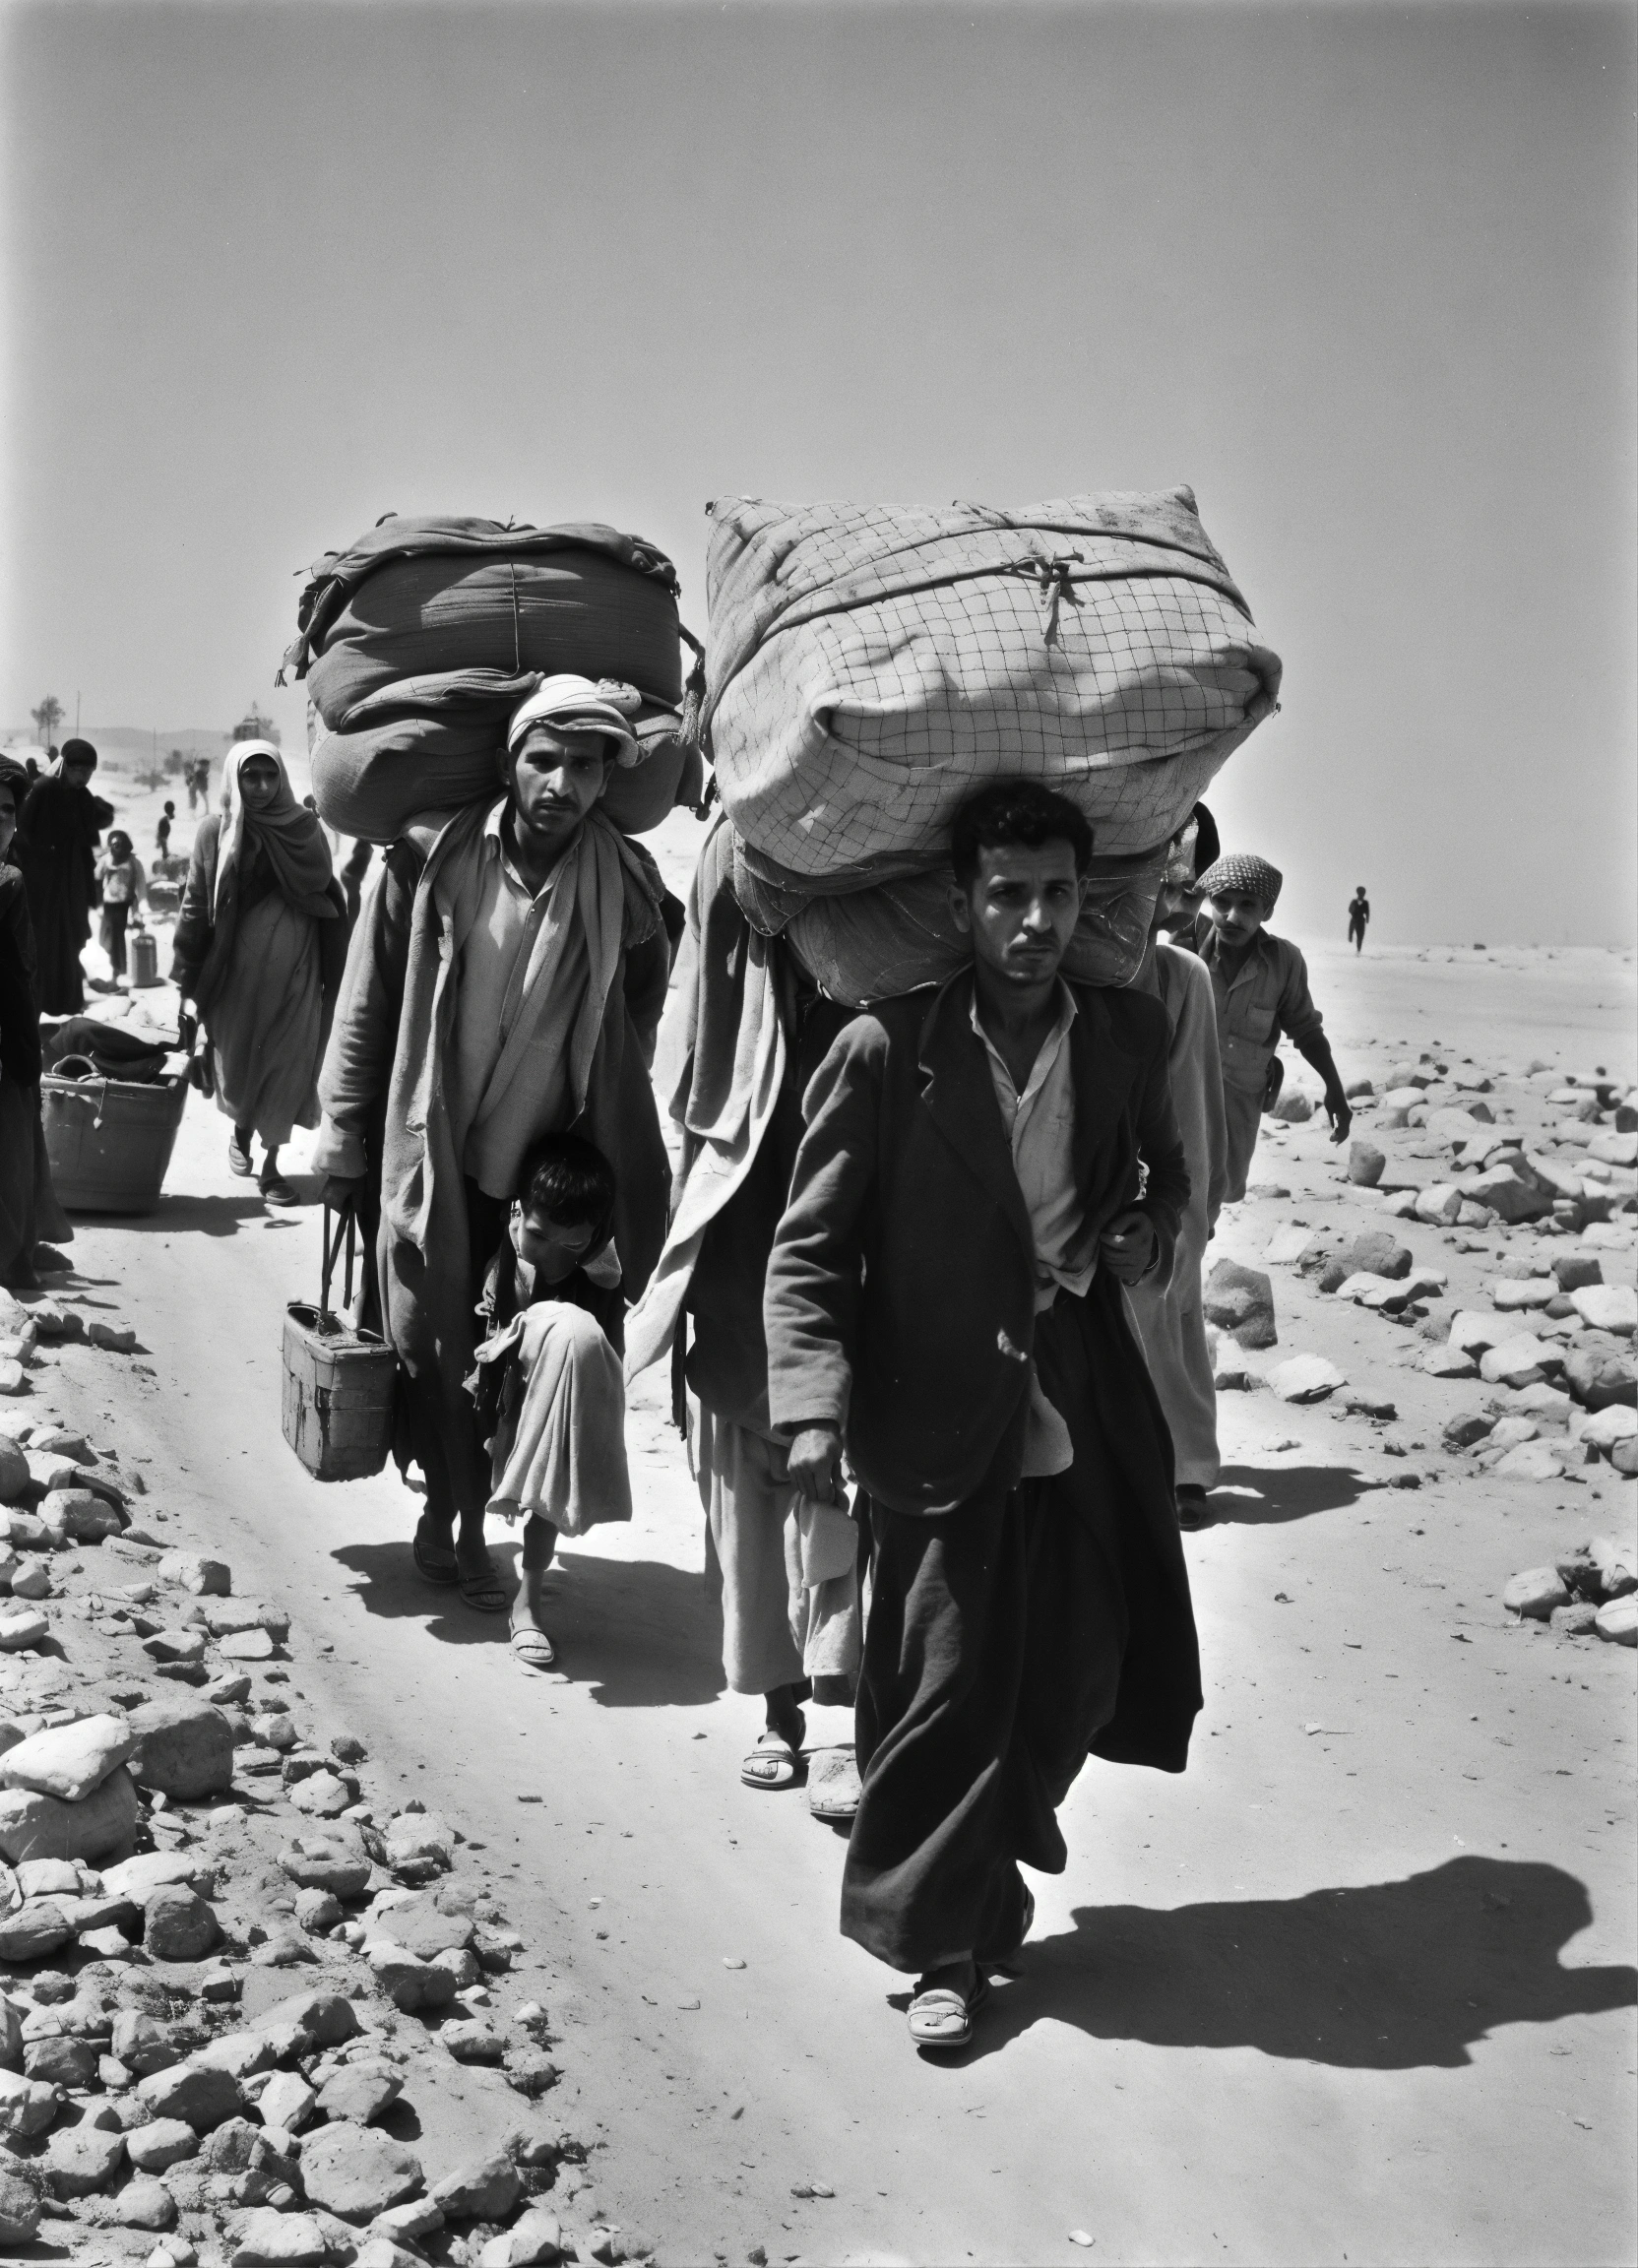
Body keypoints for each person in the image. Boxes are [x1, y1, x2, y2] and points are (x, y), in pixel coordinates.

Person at [765, 780, 1202, 2053]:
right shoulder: (886, 1050)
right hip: (935, 1399)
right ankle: (937, 1945)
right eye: (1008, 894)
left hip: (1078, 1385)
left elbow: (1164, 1173)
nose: (1035, 920)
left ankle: (987, 1860)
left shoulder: (1120, 1035)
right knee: (946, 1679)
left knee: (1082, 1659)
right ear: (961, 902)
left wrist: (1143, 1231)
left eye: (1059, 893)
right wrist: (809, 1412)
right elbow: (809, 1253)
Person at [313, 674, 670, 1620]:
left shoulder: (626, 885)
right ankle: (454, 1510)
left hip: (547, 1174)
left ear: (605, 780)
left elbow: (640, 1007)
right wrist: (346, 1137)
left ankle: (495, 1529)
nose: (561, 783)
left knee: (527, 1354)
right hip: (435, 1145)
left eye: (584, 766)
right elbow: (368, 1002)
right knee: (437, 1344)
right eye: (542, 759)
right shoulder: (430, 860)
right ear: (509, 760)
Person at [624, 820, 857, 1809]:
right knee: (748, 1514)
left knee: (840, 1501)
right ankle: (779, 1705)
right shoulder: (720, 1004)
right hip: (733, 1283)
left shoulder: (872, 1015)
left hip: (842, 1288)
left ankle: (847, 1714)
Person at [467, 1132, 633, 1670]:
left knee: (553, 1458)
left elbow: (609, 1351)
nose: (555, 1258)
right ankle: (458, 1533)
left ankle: (527, 1602)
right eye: (539, 1237)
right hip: (489, 1379)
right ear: (518, 1212)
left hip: (556, 1377)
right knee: (463, 1450)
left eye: (573, 1245)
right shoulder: (488, 1245)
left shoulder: (603, 1273)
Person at [170, 741, 346, 1208]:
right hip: (236, 977)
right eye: (252, 778)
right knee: (243, 1063)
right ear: (235, 780)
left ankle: (271, 1165)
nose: (264, 787)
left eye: (271, 776)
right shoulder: (216, 831)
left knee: (288, 1064)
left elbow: (323, 886)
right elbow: (195, 904)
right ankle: (242, 1133)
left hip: (300, 969)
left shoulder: (304, 828)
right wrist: (187, 979)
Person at [1126, 812, 1229, 1530]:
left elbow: (1194, 1106)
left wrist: (1193, 1208)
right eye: (1170, 888)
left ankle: (1186, 1467)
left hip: (1155, 1180)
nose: (1176, 907)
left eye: (1189, 894)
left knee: (1171, 1308)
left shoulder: (1181, 977)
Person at [1192, 854, 1352, 1203]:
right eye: (1222, 902)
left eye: (1247, 904)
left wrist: (1334, 1089)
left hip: (1241, 1098)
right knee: (1167, 1190)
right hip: (1182, 1094)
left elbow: (1306, 1030)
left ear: (1267, 911)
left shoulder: (1284, 962)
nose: (1231, 916)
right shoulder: (1187, 945)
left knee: (1216, 1197)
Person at [0, 760, 72, 1292]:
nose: (0, 823)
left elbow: (23, 974)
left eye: (6, 813)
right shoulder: (9, 882)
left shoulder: (12, 880)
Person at [14, 739, 112, 1015]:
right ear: (65, 767)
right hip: (43, 882)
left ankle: (67, 1002)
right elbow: (20, 835)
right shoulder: (43, 789)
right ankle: (41, 1003)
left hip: (71, 880)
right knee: (44, 941)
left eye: (89, 772)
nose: (84, 777)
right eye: (79, 771)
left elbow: (96, 825)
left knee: (71, 938)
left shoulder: (82, 796)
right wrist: (43, 854)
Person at [94, 831, 148, 984]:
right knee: (106, 939)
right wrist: (98, 904)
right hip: (108, 905)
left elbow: (141, 886)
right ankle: (108, 972)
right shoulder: (106, 860)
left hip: (123, 905)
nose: (114, 847)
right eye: (112, 844)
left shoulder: (133, 862)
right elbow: (96, 880)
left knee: (116, 939)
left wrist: (141, 910)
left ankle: (117, 973)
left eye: (117, 844)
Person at [1348, 885, 1370, 953]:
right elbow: (1349, 909)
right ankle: (1350, 938)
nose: (1361, 894)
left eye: (1363, 893)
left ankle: (1358, 950)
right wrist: (1353, 912)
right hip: (1354, 919)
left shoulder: (1366, 903)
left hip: (1361, 920)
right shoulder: (1354, 901)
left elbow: (1367, 911)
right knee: (1351, 931)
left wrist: (1367, 919)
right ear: (1357, 893)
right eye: (1360, 893)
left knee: (1360, 936)